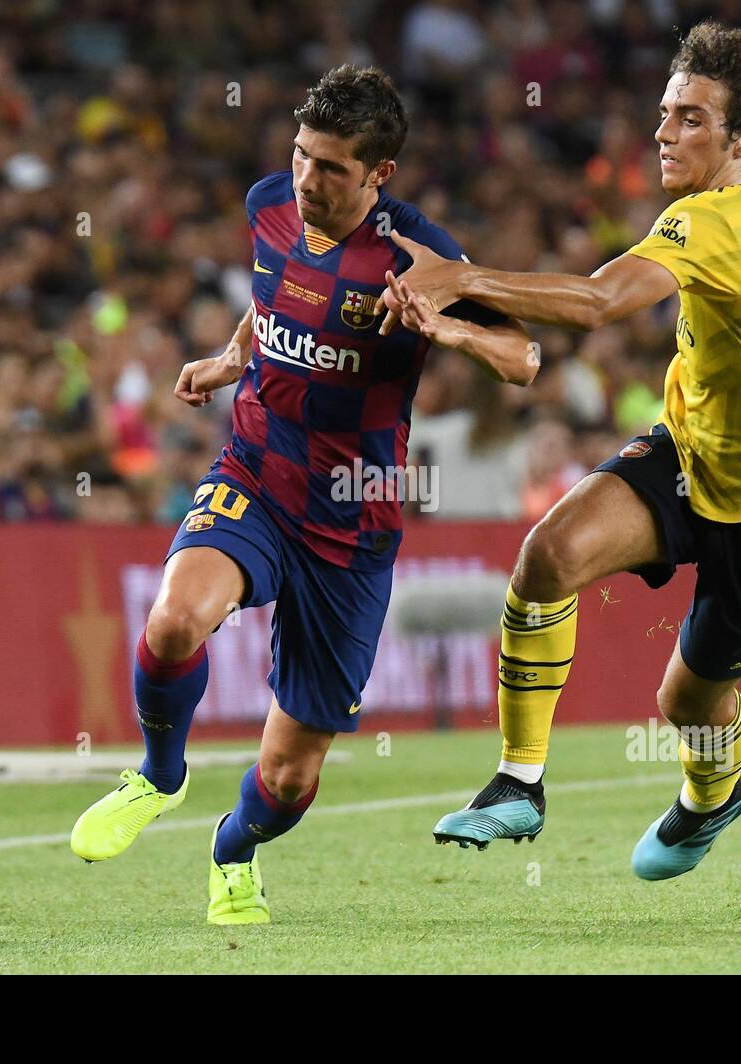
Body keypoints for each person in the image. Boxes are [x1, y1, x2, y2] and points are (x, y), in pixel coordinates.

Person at [381, 22, 741, 879]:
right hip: (693, 455)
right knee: (549, 555)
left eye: (690, 117)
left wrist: (462, 278)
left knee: (686, 701)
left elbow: (599, 300)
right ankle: (517, 783)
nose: (663, 132)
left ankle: (711, 795)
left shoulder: (715, 224)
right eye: (664, 114)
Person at [70, 65, 533, 922]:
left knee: (289, 779)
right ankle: (157, 773)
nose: (306, 181)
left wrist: (450, 326)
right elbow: (273, 298)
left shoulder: (422, 256)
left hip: (352, 519)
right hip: (254, 469)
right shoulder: (266, 206)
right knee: (174, 620)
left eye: (330, 169)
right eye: (300, 157)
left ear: (378, 175)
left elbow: (525, 361)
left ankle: (233, 848)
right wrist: (229, 359)